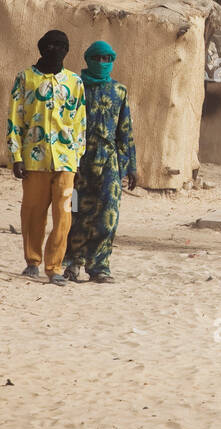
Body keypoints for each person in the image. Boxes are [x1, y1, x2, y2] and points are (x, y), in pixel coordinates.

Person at [7, 30, 86, 285]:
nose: (56, 50)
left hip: (66, 160)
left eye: (61, 46)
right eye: (51, 46)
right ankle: (32, 261)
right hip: (34, 159)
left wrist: (78, 158)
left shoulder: (74, 82)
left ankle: (55, 267)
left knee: (64, 214)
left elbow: (80, 123)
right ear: (42, 48)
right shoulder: (25, 78)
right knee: (33, 212)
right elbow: (15, 118)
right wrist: (16, 155)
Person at [63, 41, 138, 285]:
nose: (103, 63)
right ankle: (73, 263)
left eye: (108, 59)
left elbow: (125, 130)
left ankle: (99, 266)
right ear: (88, 60)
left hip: (109, 162)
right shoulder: (75, 88)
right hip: (78, 161)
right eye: (98, 58)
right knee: (75, 211)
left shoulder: (119, 92)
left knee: (108, 214)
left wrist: (131, 167)